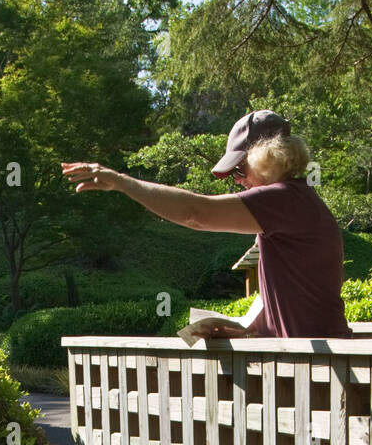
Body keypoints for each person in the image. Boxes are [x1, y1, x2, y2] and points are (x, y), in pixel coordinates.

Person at [61, 109, 352, 340]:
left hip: (322, 368)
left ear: (270, 157)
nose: (238, 181)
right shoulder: (297, 201)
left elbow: (195, 213)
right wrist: (242, 327)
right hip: (317, 362)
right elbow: (296, 296)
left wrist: (122, 183)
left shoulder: (285, 199)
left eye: (239, 169)